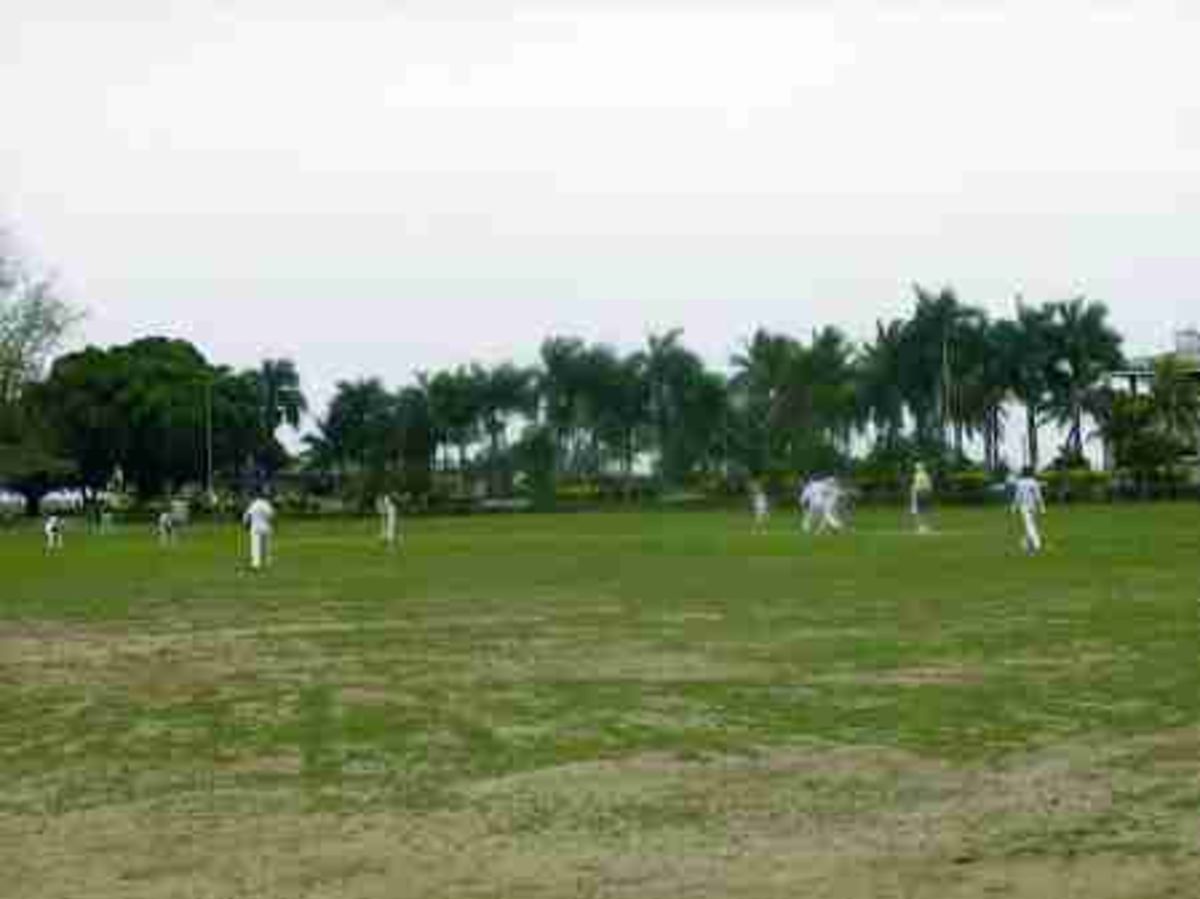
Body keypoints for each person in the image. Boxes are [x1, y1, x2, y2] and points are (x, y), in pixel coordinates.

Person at [1011, 467, 1046, 554]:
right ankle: (1032, 542)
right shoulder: (1034, 482)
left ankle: (1035, 545)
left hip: (1024, 507)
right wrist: (1042, 508)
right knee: (1030, 524)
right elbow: (1038, 496)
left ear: (1023, 473)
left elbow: (1018, 496)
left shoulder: (1020, 483)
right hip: (1033, 506)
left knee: (1029, 525)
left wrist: (1014, 507)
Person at [243, 492, 276, 570]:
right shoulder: (266, 504)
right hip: (266, 527)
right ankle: (268, 562)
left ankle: (256, 564)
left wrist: (246, 525)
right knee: (266, 546)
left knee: (255, 546)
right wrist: (273, 525)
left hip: (255, 528)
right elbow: (272, 515)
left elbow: (248, 515)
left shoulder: (253, 504)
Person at [910, 461, 934, 534]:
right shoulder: (923, 475)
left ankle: (922, 527)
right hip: (921, 493)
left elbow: (925, 485)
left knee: (921, 511)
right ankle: (922, 527)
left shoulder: (920, 475)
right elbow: (927, 486)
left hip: (920, 493)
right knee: (922, 511)